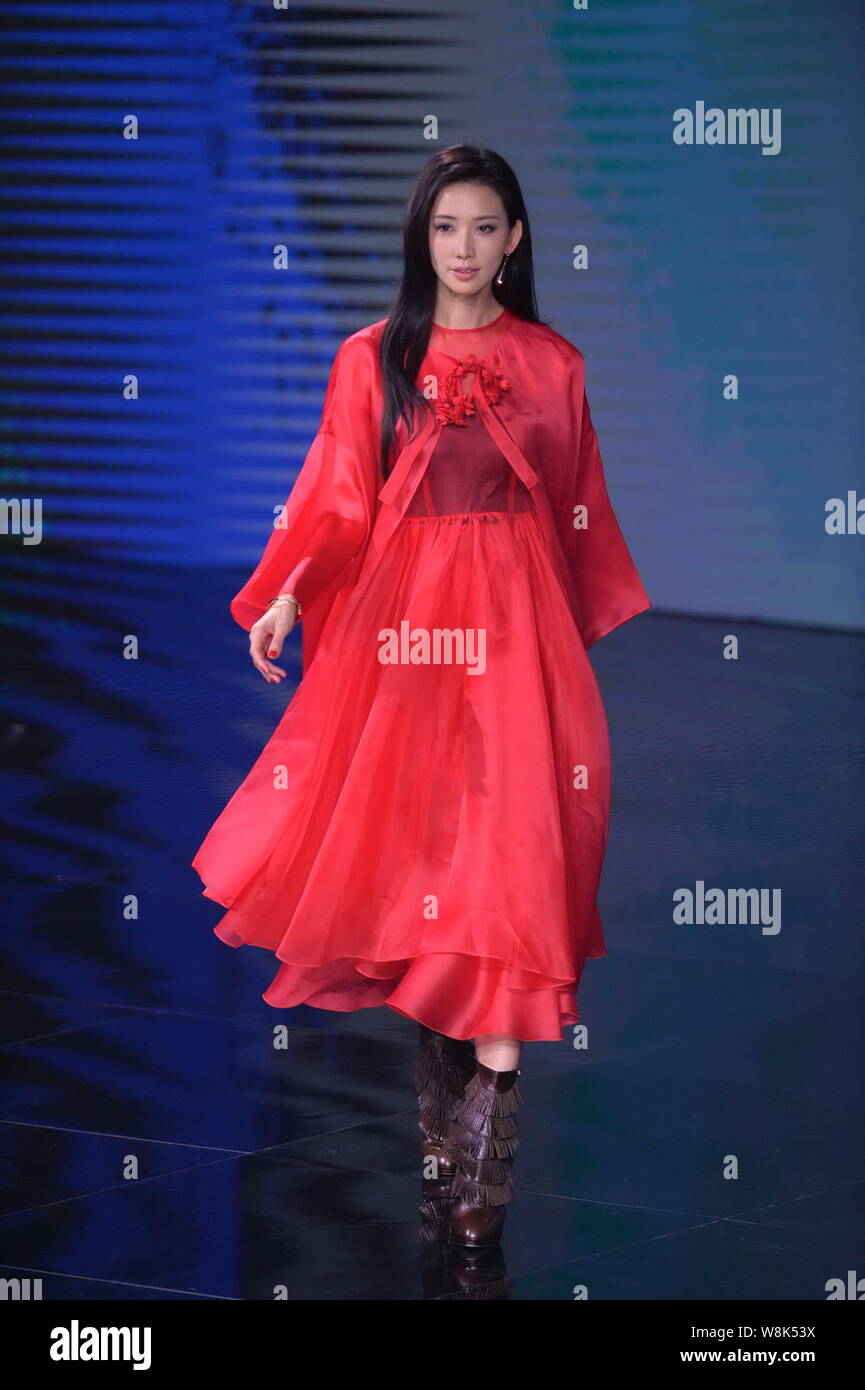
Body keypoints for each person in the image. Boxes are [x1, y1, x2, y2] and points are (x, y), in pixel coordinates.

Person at [192, 144, 651, 1249]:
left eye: (484, 227)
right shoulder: (373, 358)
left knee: (510, 865)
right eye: (445, 227)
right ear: (421, 238)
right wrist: (291, 595)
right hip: (405, 645)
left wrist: (559, 642)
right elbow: (336, 494)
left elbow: (576, 508)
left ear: (516, 239)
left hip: (513, 644)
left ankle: (475, 1208)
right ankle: (448, 1168)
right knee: (427, 870)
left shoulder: (553, 363)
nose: (463, 249)